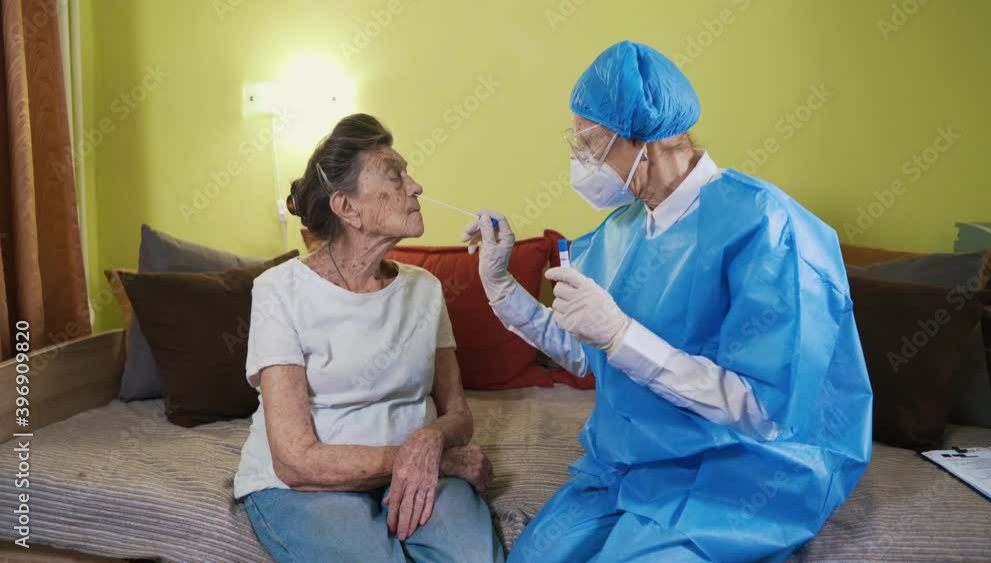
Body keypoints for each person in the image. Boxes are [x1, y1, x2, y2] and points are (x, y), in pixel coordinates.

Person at [463, 41, 872, 562]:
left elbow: (767, 413)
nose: (580, 161)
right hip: (631, 465)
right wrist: (500, 286)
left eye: (590, 144)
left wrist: (623, 335)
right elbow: (585, 352)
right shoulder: (623, 231)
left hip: (742, 473)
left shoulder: (768, 226)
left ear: (645, 140)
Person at [234, 113, 505, 563]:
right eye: (396, 177)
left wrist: (430, 440)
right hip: (308, 487)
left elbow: (458, 415)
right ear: (347, 207)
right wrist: (435, 458)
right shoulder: (279, 290)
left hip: (420, 468)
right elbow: (295, 460)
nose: (416, 186)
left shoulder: (425, 288)